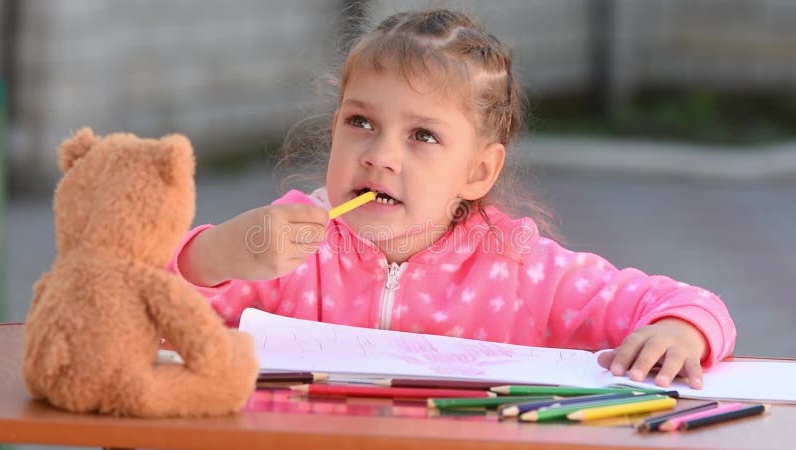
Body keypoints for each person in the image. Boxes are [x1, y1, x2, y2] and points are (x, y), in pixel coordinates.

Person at [168, 9, 736, 389]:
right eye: (361, 122)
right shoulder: (279, 248)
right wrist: (213, 256)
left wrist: (680, 330)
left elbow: (686, 301)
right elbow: (146, 311)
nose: (380, 155)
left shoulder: (518, 267)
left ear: (479, 171)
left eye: (423, 136)